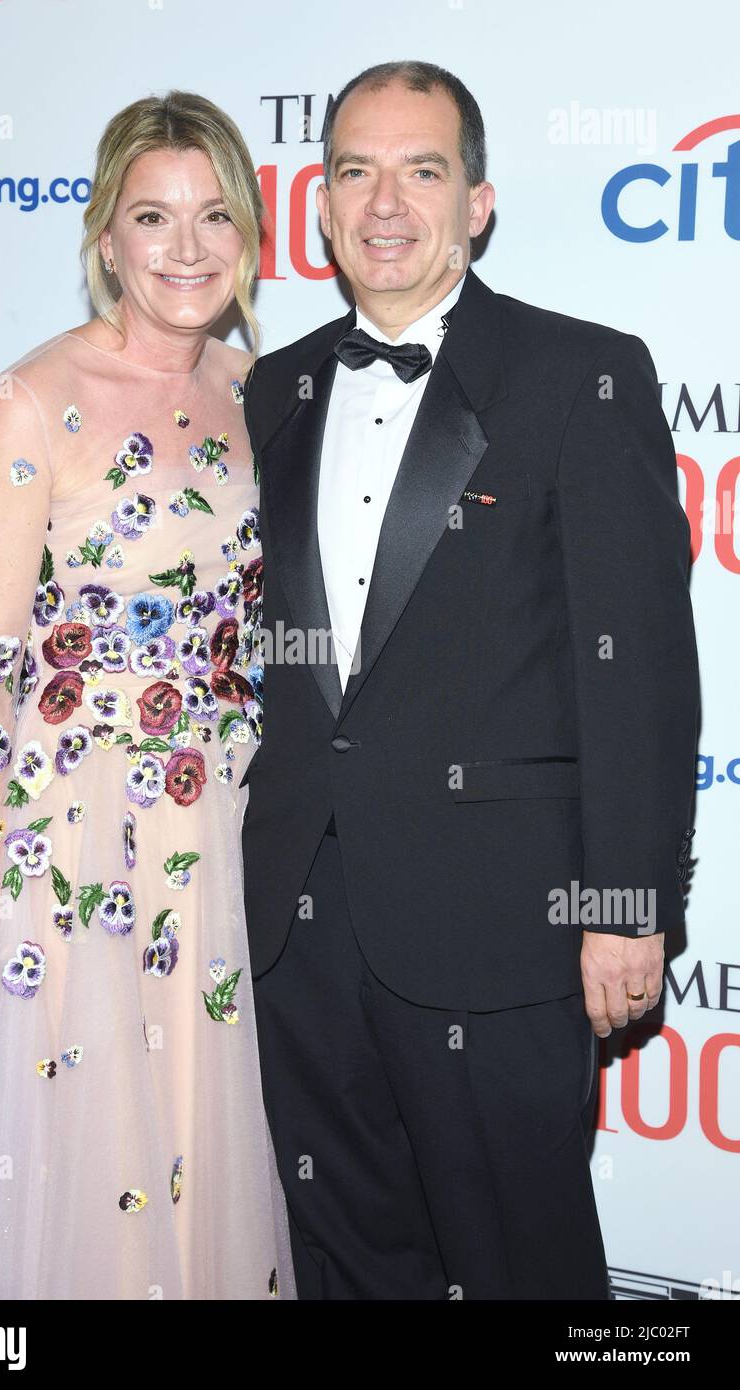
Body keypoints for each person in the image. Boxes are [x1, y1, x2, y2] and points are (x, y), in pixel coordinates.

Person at [240, 61, 699, 1300]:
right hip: (293, 922)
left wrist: (627, 900)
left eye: (421, 170)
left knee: (524, 1267)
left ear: (479, 200)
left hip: (501, 925)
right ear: (320, 203)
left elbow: (641, 666)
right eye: (354, 171)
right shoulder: (268, 389)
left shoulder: (580, 375)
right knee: (343, 1265)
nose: (385, 203)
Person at [0, 91, 295, 1300]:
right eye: (153, 217)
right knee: (91, 1162)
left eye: (214, 214)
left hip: (232, 830)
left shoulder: (265, 391)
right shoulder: (32, 402)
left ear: (251, 231)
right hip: (78, 848)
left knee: (213, 1142)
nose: (186, 247)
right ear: (105, 238)